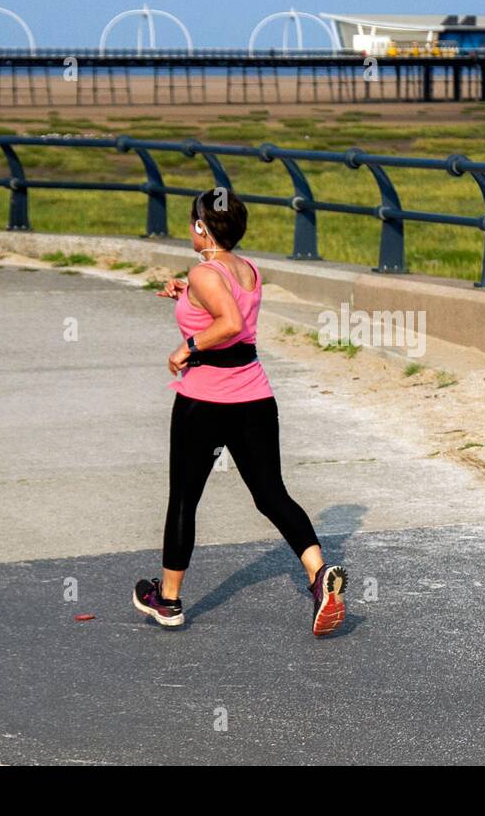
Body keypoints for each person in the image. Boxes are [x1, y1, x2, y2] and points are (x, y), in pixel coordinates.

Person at [133, 187, 348, 636]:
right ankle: (318, 575)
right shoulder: (247, 270)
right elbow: (227, 311)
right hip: (254, 397)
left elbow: (227, 323)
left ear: (199, 226)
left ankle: (168, 600)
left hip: (205, 401)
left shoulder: (205, 273)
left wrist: (185, 347)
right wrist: (185, 293)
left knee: (185, 499)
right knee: (271, 494)